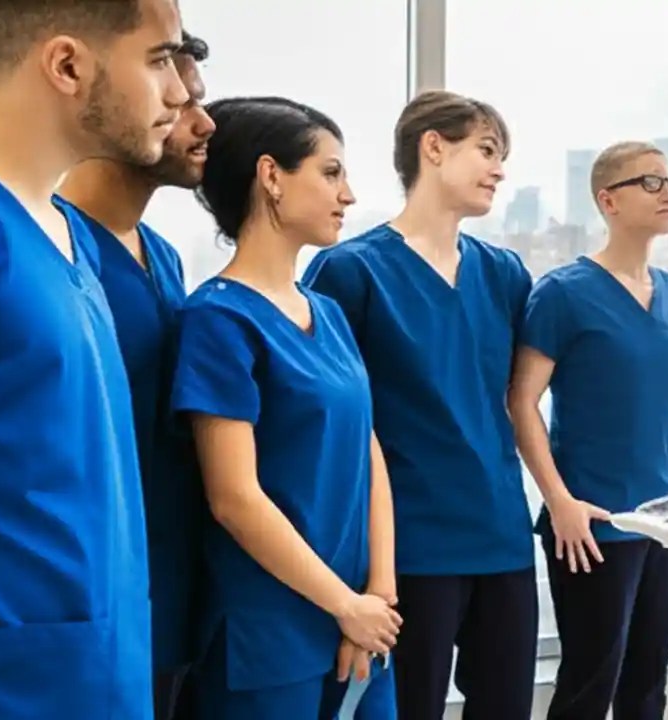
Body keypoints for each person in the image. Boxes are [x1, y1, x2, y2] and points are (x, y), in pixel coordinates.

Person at [0, 1, 188, 717]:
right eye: (160, 59)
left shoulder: (71, 234)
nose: (182, 91)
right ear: (68, 65)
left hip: (101, 670)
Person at [302, 89, 538, 720]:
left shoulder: (506, 274)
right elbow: (326, 423)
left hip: (503, 539)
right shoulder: (348, 272)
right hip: (409, 551)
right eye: (487, 150)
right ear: (433, 147)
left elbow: (521, 399)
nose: (500, 169)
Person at [171, 96, 401, 719]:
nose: (348, 195)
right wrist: (343, 605)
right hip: (269, 635)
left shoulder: (324, 310)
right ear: (271, 175)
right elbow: (234, 498)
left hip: (363, 627)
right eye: (330, 172)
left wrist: (378, 597)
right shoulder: (217, 320)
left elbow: (367, 449)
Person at [508, 141, 668, 720]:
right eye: (651, 182)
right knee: (591, 684)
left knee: (647, 686)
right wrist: (559, 500)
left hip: (663, 520)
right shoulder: (564, 293)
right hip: (593, 525)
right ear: (608, 200)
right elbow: (521, 400)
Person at [56, 30, 215, 719]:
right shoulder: (57, 249)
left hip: (172, 570)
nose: (201, 122)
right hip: (92, 586)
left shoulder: (163, 256)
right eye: (178, 103)